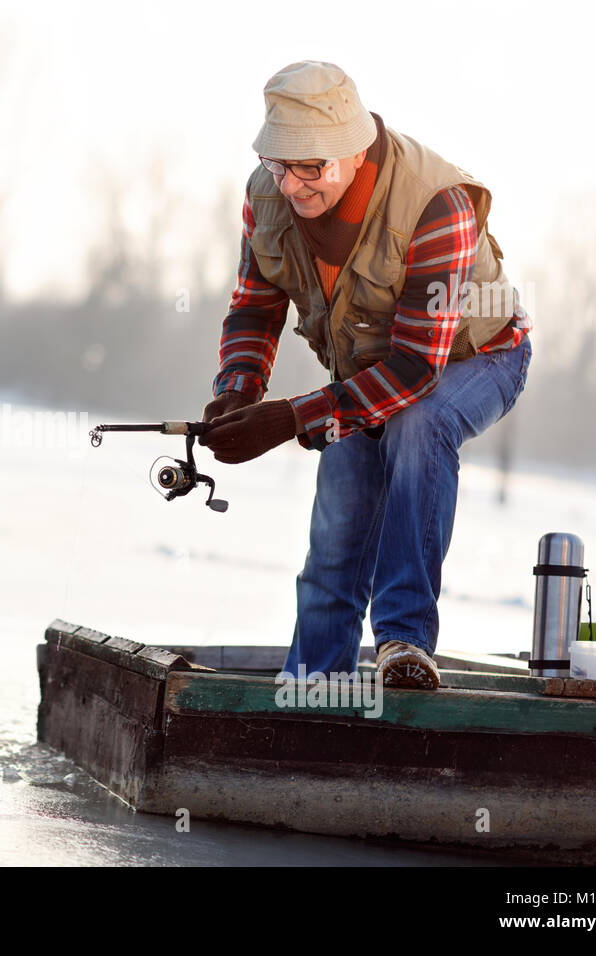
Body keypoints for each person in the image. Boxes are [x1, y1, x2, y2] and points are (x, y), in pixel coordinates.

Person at [198, 61, 533, 690]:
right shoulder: (264, 195)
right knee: (338, 530)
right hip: (372, 375)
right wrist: (237, 392)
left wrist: (293, 418)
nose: (293, 185)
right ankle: (312, 685)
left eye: (310, 167)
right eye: (279, 164)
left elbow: (414, 369)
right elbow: (254, 304)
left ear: (354, 152)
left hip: (479, 357)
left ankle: (405, 644)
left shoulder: (437, 204)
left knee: (417, 423)